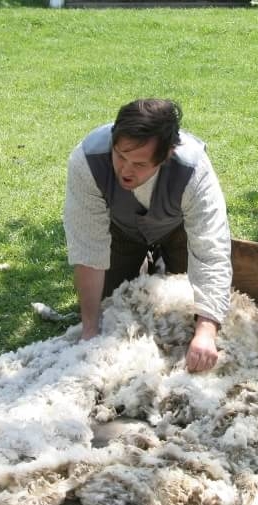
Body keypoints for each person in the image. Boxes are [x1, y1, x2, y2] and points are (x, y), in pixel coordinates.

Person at [63, 98, 232, 373]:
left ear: (166, 157)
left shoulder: (194, 171)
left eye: (139, 164)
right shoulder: (87, 161)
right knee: (112, 311)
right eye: (120, 156)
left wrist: (206, 331)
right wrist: (89, 331)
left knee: (185, 311)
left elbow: (211, 252)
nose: (126, 170)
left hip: (178, 229)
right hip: (121, 228)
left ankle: (163, 264)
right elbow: (88, 247)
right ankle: (140, 264)